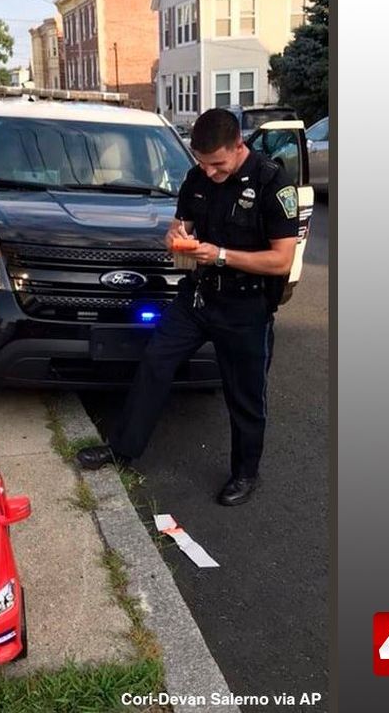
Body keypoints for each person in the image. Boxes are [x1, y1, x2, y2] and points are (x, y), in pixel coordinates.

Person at [76, 108, 302, 507]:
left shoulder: (272, 183)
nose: (210, 172)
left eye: (217, 164)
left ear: (238, 146)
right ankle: (123, 449)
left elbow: (281, 260)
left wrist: (220, 255)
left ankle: (245, 473)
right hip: (198, 297)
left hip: (246, 305)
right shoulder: (197, 178)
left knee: (244, 394)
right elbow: (182, 229)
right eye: (202, 163)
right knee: (155, 363)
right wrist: (176, 237)